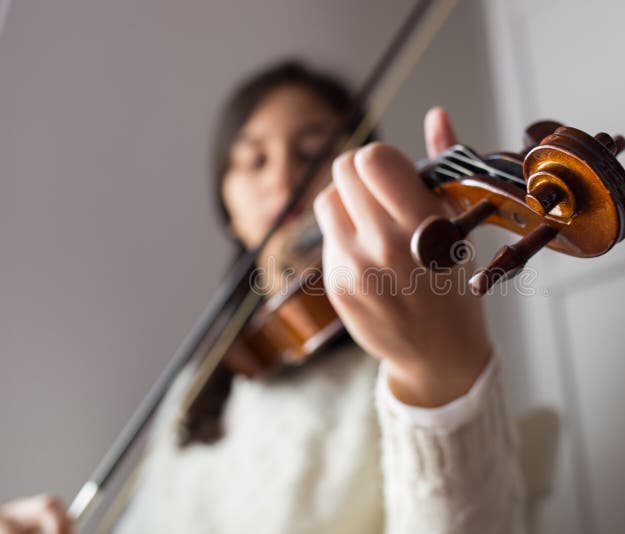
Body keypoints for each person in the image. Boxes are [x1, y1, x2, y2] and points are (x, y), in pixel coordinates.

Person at [4, 61, 528, 533]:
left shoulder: (394, 372)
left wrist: (440, 375)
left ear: (365, 175)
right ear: (228, 207)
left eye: (310, 153)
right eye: (254, 161)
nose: (284, 179)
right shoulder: (198, 384)